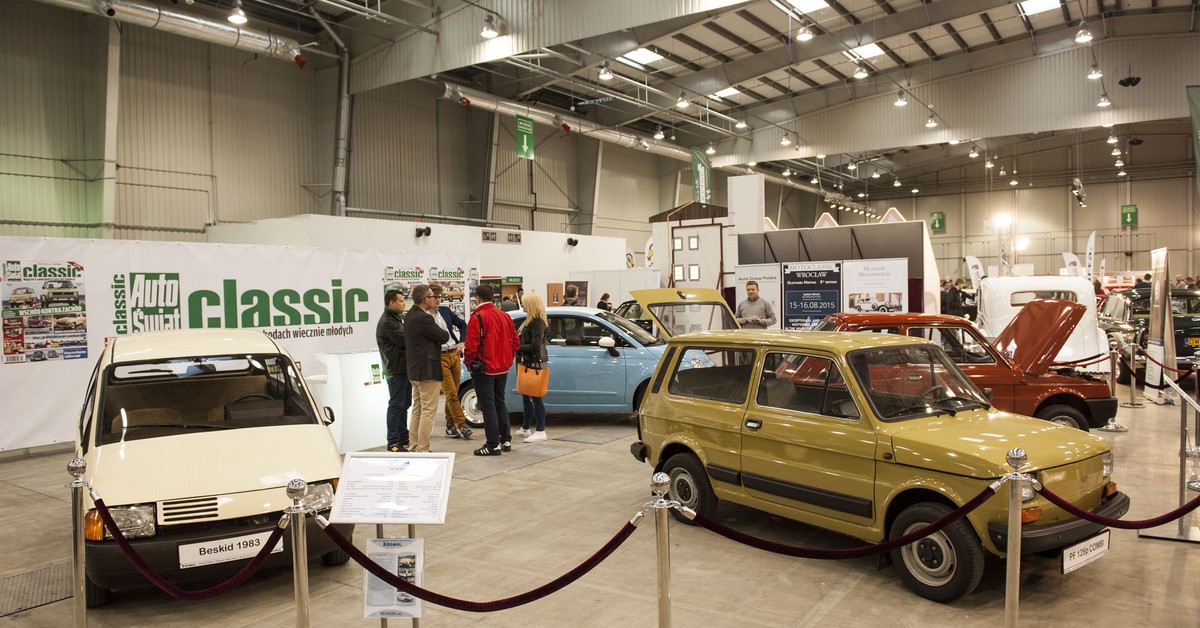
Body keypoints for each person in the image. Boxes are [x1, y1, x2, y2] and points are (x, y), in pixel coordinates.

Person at [464, 284, 519, 456]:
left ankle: (492, 444)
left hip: (484, 369)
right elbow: (515, 342)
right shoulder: (504, 316)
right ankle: (506, 440)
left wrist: (469, 364)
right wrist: (507, 360)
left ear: (477, 298)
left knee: (487, 406)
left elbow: (471, 346)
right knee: (500, 402)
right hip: (502, 368)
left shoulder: (477, 317)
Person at [404, 285, 450, 453]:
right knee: (428, 411)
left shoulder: (409, 315)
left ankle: (414, 445)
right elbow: (444, 336)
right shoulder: (424, 318)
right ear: (425, 300)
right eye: (432, 296)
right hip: (427, 370)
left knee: (418, 409)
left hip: (415, 370)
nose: (434, 299)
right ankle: (423, 448)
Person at [430, 284, 471, 440]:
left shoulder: (445, 311)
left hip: (454, 353)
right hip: (439, 357)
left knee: (453, 391)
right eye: (435, 297)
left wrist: (462, 341)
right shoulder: (425, 316)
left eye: (440, 297)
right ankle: (462, 425)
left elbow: (462, 324)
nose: (438, 300)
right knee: (451, 393)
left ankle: (449, 426)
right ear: (427, 298)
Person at [375, 289, 410, 453]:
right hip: (396, 369)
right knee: (396, 405)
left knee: (404, 404)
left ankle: (403, 437)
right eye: (401, 301)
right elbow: (405, 341)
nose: (404, 303)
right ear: (392, 303)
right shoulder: (388, 322)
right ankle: (393, 442)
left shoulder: (396, 319)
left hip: (403, 368)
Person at [515, 293, 550, 443]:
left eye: (524, 303)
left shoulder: (538, 322)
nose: (522, 306)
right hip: (527, 362)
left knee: (536, 397)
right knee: (525, 395)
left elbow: (535, 346)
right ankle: (525, 427)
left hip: (534, 363)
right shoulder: (528, 321)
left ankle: (541, 430)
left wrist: (518, 347)